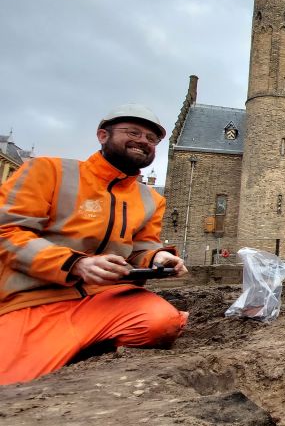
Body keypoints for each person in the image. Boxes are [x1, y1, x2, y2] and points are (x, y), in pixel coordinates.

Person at [0, 104, 189, 385]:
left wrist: (158, 259)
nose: (143, 142)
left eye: (151, 139)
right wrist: (76, 264)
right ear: (103, 135)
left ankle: (79, 345)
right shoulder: (47, 171)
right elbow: (7, 232)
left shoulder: (151, 199)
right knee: (12, 378)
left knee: (163, 322)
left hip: (104, 300)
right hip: (36, 299)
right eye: (133, 132)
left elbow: (141, 248)